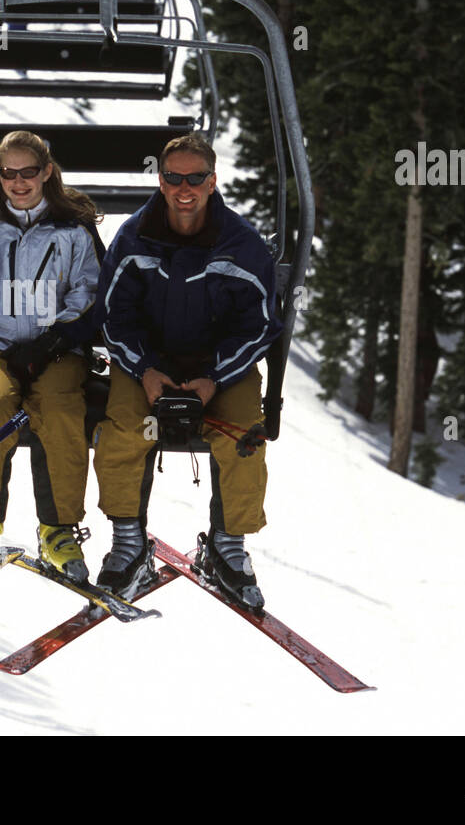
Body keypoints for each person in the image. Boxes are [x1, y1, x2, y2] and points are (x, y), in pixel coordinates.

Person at [92, 133, 283, 608]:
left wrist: (214, 377)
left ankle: (228, 544)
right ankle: (128, 542)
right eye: (173, 178)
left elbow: (260, 324)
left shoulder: (241, 244)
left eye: (195, 179)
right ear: (160, 180)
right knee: (125, 429)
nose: (184, 189)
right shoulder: (135, 238)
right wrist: (144, 369)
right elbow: (113, 316)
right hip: (148, 363)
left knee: (242, 434)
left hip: (220, 367)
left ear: (212, 182)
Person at [0, 130, 103, 581]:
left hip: (57, 348)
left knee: (60, 409)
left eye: (28, 172)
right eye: (8, 173)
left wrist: (56, 339)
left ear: (46, 172)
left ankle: (59, 529)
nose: (18, 182)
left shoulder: (73, 229)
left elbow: (90, 290)